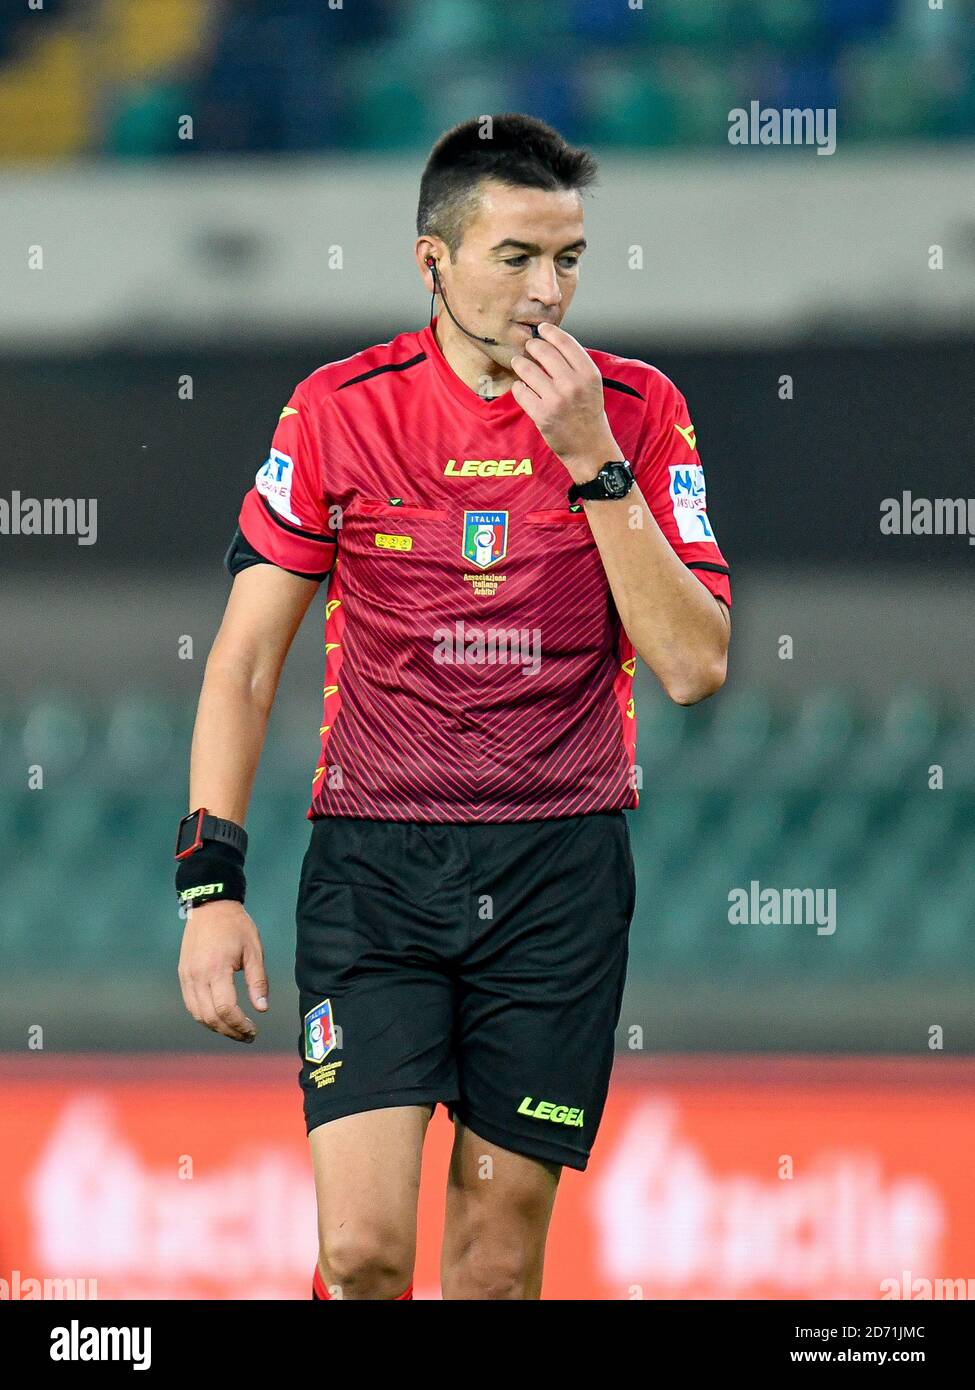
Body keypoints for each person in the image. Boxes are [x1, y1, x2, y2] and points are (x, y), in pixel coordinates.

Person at [174, 113, 732, 1301]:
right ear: (433, 261)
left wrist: (592, 460)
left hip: (558, 872)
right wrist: (210, 886)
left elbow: (694, 665)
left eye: (569, 258)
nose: (549, 291)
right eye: (517, 257)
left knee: (490, 1265)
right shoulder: (338, 410)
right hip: (377, 865)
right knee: (365, 1252)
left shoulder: (637, 410)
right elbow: (243, 663)